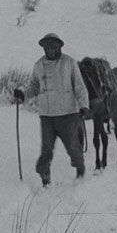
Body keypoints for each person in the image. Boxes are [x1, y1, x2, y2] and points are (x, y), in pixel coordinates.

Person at [14, 33, 89, 187]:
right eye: (48, 48)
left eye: (54, 48)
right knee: (46, 149)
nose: (51, 51)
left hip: (67, 114)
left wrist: (83, 106)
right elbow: (34, 87)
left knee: (73, 147)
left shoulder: (69, 63)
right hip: (47, 116)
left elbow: (79, 86)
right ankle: (45, 179)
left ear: (59, 47)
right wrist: (23, 94)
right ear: (44, 48)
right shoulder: (39, 65)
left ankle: (80, 172)